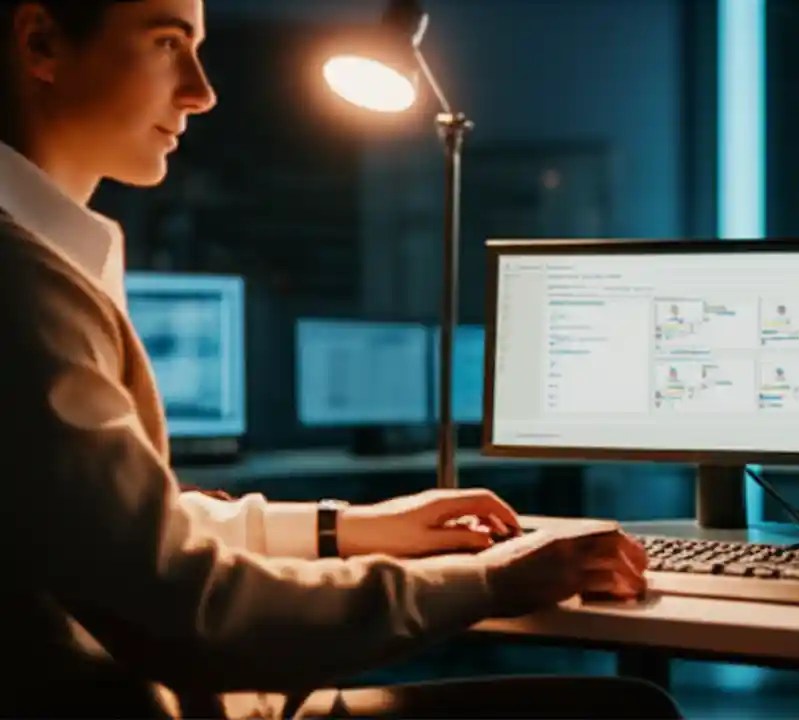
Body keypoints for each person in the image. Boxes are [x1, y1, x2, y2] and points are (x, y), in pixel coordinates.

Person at [0, 1, 679, 718]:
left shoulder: (44, 263)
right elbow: (182, 609)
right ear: (42, 41)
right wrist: (490, 583)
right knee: (622, 712)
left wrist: (344, 528)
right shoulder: (20, 286)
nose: (202, 90)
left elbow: (121, 535)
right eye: (169, 42)